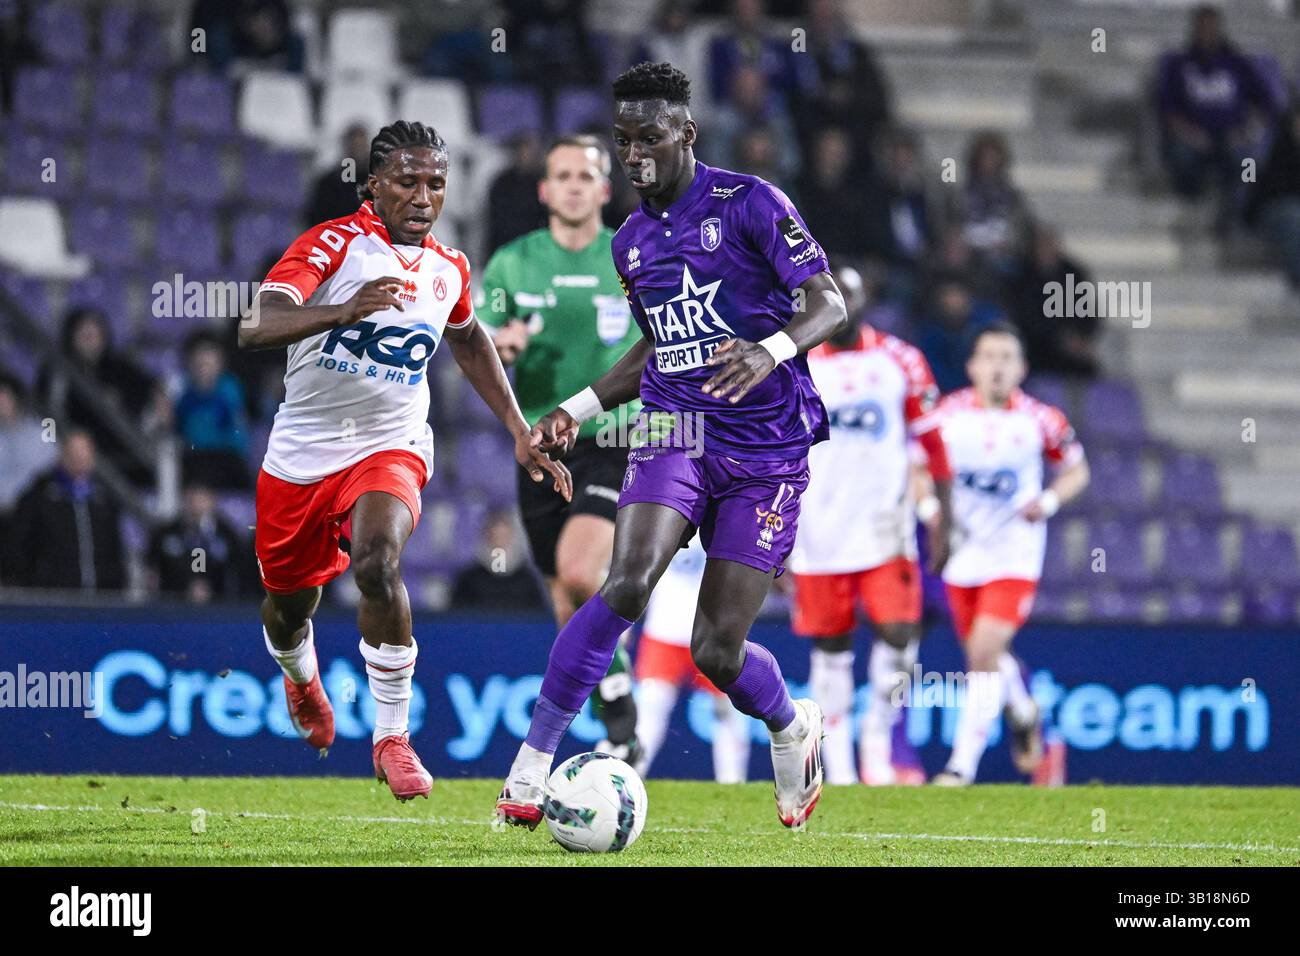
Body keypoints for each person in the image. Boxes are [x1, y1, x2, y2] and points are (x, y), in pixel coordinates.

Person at [495, 62, 848, 831]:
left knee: (716, 651)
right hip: (673, 428)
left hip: (766, 449)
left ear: (686, 132)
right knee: (624, 583)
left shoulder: (752, 203)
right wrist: (577, 409)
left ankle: (792, 724)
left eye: (649, 137)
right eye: (623, 140)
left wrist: (770, 351)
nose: (635, 154)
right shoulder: (630, 243)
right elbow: (657, 348)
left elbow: (830, 303)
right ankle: (529, 770)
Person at [242, 120, 570, 802]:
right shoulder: (333, 245)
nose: (423, 197)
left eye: (437, 184)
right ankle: (300, 677)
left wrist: (518, 427)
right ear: (373, 186)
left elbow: (471, 337)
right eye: (407, 182)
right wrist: (341, 309)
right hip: (304, 450)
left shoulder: (449, 268)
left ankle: (392, 736)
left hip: (390, 441)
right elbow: (255, 325)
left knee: (378, 561)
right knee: (287, 606)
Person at [477, 134, 646, 761]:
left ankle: (620, 713)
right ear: (545, 190)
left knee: (581, 570)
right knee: (562, 596)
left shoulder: (632, 254)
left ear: (605, 190)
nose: (574, 185)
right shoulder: (513, 263)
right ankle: (623, 726)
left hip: (614, 434)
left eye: (587, 175)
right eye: (562, 175)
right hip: (540, 444)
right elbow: (482, 334)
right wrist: (503, 345)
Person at [787, 264, 953, 786]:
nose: (837, 303)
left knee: (899, 634)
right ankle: (836, 763)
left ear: (862, 301)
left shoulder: (900, 359)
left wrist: (944, 517)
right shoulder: (795, 361)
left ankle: (878, 739)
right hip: (818, 532)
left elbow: (933, 440)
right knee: (831, 646)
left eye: (848, 294)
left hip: (885, 528)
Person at [928, 323, 1089, 786]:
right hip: (962, 553)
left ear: (1022, 369)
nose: (997, 367)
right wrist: (929, 510)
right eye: (989, 357)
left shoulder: (1042, 420)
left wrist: (1051, 501)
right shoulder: (947, 416)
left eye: (1007, 358)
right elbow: (919, 467)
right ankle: (1022, 708)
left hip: (1015, 553)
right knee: (987, 656)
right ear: (972, 366)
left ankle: (960, 766)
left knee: (982, 653)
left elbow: (1078, 470)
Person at [633, 534, 752, 783]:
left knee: (728, 709)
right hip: (666, 624)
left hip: (715, 627)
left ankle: (733, 785)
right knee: (651, 708)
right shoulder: (669, 505)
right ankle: (630, 779)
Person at [1157, 5, 1275, 215]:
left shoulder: (1238, 63)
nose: (1208, 32)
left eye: (1212, 27)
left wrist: (1247, 132)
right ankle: (1190, 211)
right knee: (1182, 158)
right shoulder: (1178, 64)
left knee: (1248, 164)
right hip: (1192, 138)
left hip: (1233, 137)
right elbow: (1167, 109)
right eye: (1203, 27)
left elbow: (1266, 102)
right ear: (1194, 28)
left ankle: (1237, 214)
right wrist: (1189, 134)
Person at [6, 429, 125, 591]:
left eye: (85, 452)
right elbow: (20, 547)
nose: (80, 458)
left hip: (99, 597)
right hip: (52, 598)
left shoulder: (103, 499)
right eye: (75, 452)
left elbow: (116, 551)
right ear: (63, 456)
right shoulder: (40, 496)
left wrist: (115, 585)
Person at [147, 481, 253, 601]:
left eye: (201, 500)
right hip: (174, 605)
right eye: (192, 499)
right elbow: (153, 569)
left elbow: (238, 572)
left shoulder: (228, 535)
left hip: (219, 608)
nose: (196, 506)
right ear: (184, 500)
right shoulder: (165, 533)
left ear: (212, 500)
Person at [174, 330, 251, 489]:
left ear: (221, 360)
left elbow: (230, 421)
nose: (204, 360)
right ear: (189, 361)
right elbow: (180, 427)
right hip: (194, 458)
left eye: (209, 356)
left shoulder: (230, 386)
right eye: (199, 356)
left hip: (226, 456)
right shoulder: (182, 389)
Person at [450, 509, 546, 610]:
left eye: (503, 536)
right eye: (495, 536)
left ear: (511, 538)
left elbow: (537, 617)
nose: (499, 542)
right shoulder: (470, 579)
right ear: (486, 537)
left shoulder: (526, 580)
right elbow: (457, 616)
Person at [306, 124, 371, 227]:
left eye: (361, 146)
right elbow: (316, 217)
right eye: (354, 145)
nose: (358, 150)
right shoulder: (329, 182)